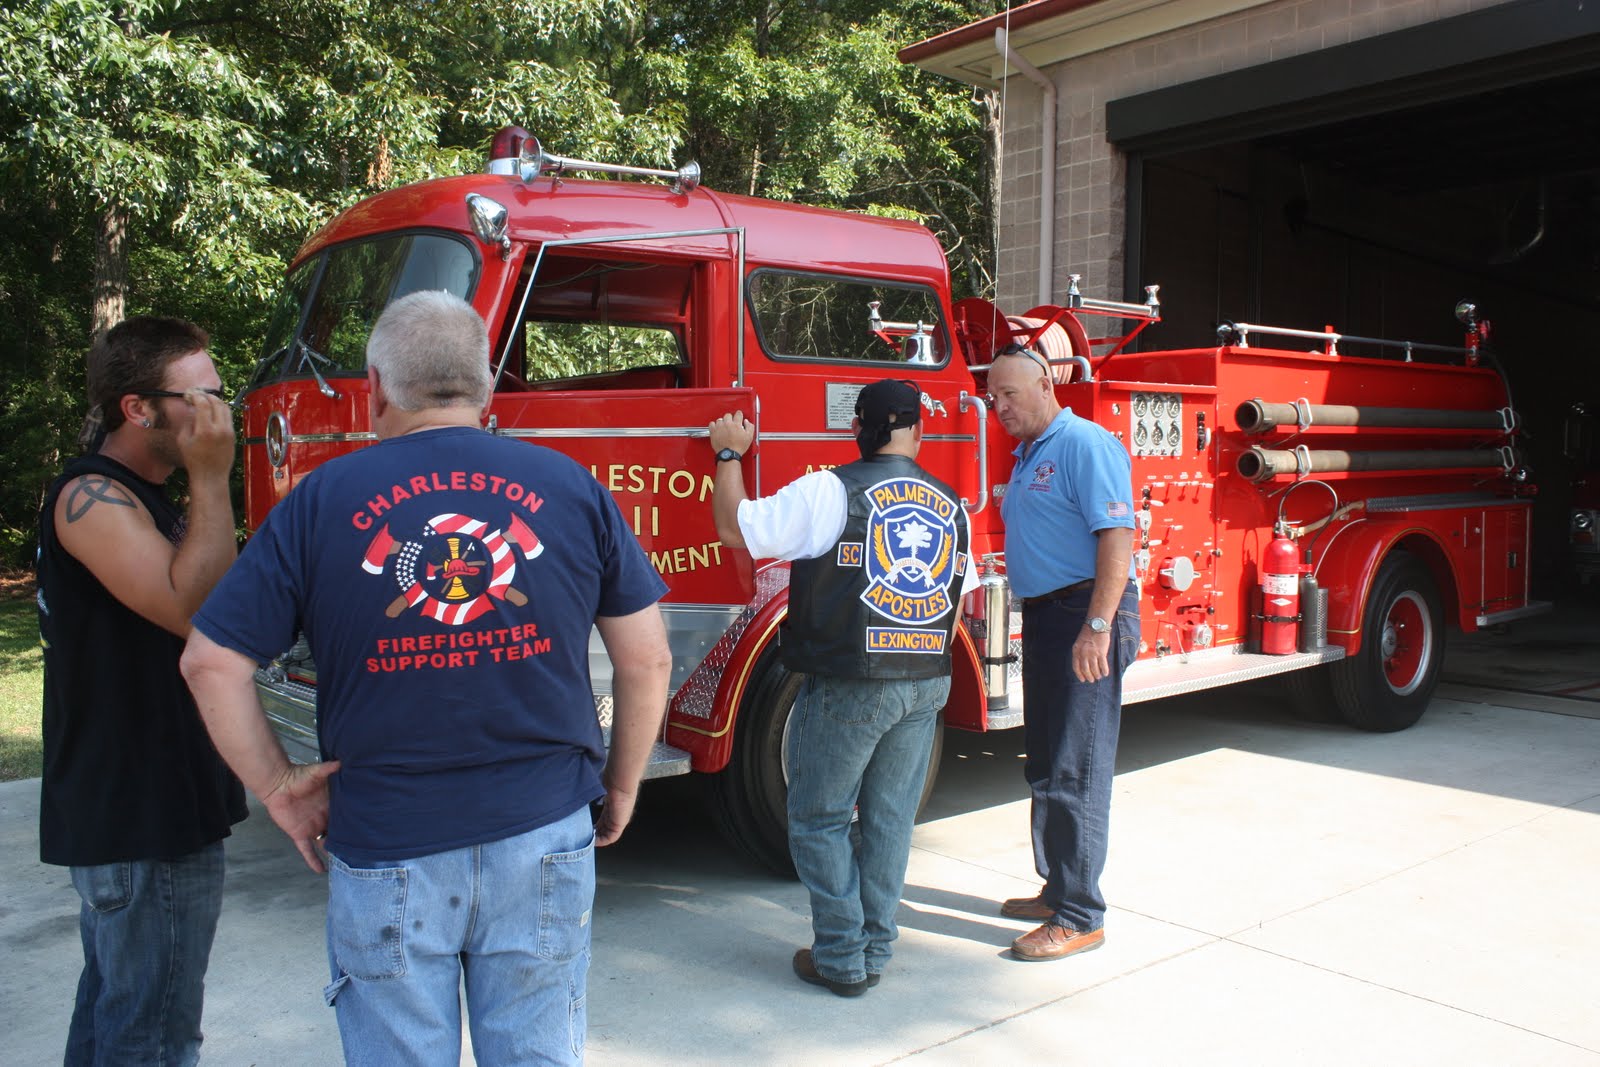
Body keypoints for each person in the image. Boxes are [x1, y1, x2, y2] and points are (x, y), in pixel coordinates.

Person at [179, 290, 672, 1065]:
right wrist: (623, 782)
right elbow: (647, 659)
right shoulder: (571, 487)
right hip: (544, 827)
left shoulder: (320, 501)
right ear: (486, 385)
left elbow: (209, 662)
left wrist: (280, 787)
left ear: (375, 388)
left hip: (388, 838)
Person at [708, 379, 975, 997]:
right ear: (919, 431)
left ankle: (840, 957)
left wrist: (727, 454)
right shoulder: (952, 505)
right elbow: (953, 604)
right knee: (890, 820)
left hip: (851, 679)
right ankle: (874, 949)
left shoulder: (828, 490)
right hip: (926, 681)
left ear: (857, 428)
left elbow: (735, 529)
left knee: (819, 819)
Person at [36, 316, 247, 1065]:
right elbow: (198, 612)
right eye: (201, 397)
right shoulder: (91, 496)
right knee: (152, 1037)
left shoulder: (139, 496)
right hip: (140, 817)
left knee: (114, 1022)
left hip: (151, 808)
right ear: (138, 408)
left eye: (221, 395)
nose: (218, 414)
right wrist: (212, 477)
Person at [986, 342, 1139, 962]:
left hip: (1085, 615)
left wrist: (1097, 626)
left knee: (1078, 765)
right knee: (1047, 761)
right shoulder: (1029, 454)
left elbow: (1118, 535)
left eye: (1010, 393)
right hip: (1049, 617)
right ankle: (1057, 890)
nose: (1000, 407)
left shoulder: (1084, 444)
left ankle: (1080, 915)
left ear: (1046, 386)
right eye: (993, 397)